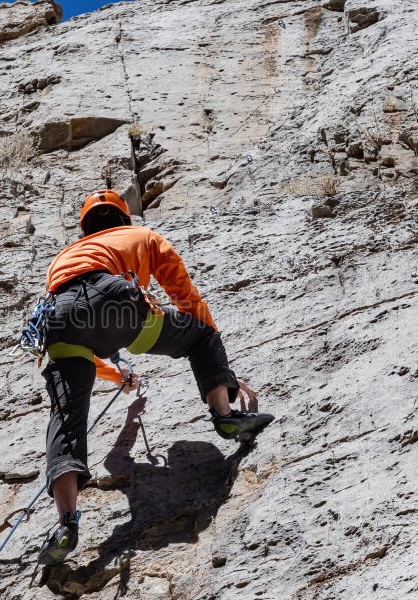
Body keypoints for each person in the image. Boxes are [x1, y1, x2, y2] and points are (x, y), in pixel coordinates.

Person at [36, 189, 273, 565]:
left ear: (85, 230)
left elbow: (84, 341)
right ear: (124, 219)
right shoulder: (142, 236)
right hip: (117, 302)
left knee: (66, 420)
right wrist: (223, 372)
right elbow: (188, 303)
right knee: (200, 335)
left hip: (60, 320)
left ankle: (66, 522)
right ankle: (226, 417)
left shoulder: (63, 258)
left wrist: (116, 377)